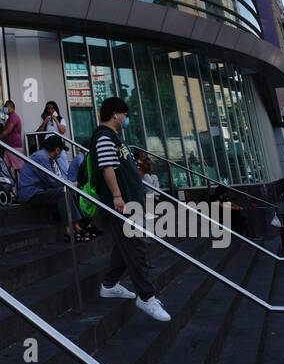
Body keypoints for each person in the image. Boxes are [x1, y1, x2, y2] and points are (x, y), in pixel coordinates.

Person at [89, 97, 171, 322]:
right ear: (115, 114)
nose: (126, 119)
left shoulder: (115, 137)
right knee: (135, 247)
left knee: (125, 246)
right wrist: (117, 196)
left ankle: (109, 284)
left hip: (129, 202)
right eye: (125, 114)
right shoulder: (104, 137)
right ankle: (146, 296)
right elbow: (107, 167)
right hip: (121, 204)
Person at [21, 134, 90, 241]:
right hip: (31, 193)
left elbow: (54, 180)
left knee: (67, 190)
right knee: (63, 192)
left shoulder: (47, 158)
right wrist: (72, 184)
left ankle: (76, 226)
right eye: (62, 150)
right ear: (57, 150)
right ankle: (71, 228)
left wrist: (69, 185)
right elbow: (52, 181)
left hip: (40, 189)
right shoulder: (41, 157)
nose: (62, 153)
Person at [0, 100, 24, 173]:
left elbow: (7, 131)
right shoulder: (10, 118)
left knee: (18, 169)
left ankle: (23, 184)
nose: (4, 109)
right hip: (9, 147)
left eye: (6, 107)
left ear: (11, 107)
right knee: (6, 169)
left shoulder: (13, 117)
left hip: (14, 147)